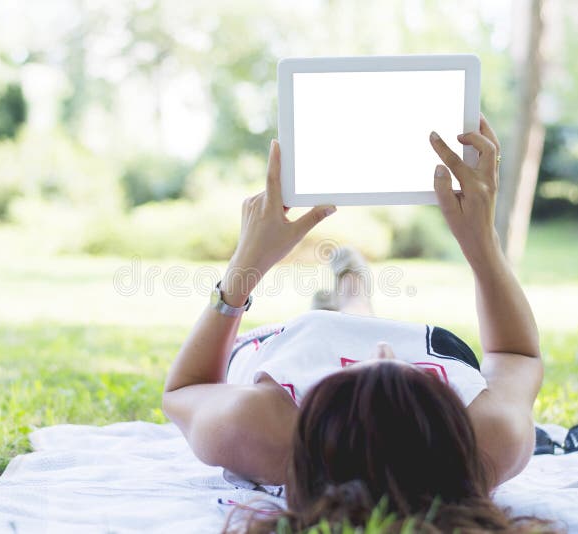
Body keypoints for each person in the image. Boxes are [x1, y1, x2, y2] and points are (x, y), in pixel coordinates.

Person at [162, 115, 555, 532]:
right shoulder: (490, 439)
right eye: (407, 374)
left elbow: (184, 390)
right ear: (445, 421)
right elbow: (515, 354)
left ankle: (347, 296)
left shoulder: (255, 427)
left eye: (358, 370)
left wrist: (246, 264)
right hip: (432, 348)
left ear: (315, 413)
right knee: (357, 319)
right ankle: (352, 292)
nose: (382, 348)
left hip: (295, 343)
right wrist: (481, 241)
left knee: (333, 327)